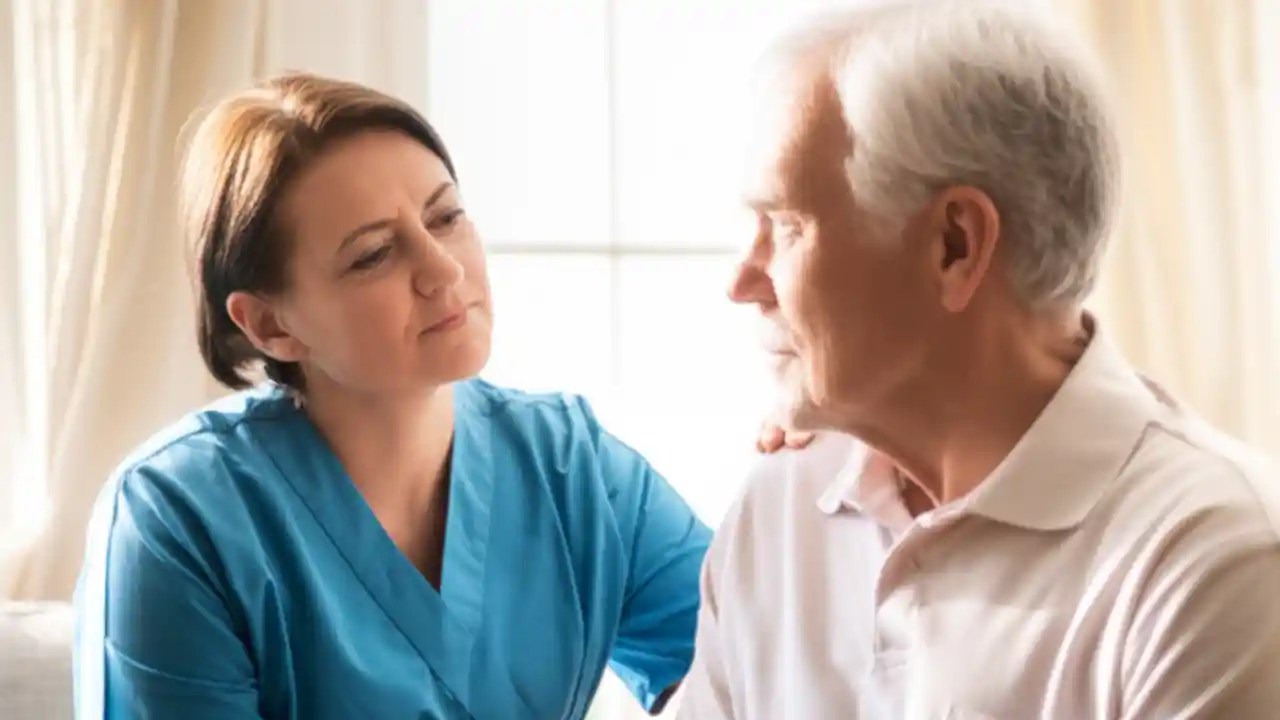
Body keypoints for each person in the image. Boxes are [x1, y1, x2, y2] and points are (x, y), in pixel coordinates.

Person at [680, 2, 1280, 718]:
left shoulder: (1214, 563)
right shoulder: (779, 513)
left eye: (786, 225)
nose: (742, 281)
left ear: (954, 245)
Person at [73, 73, 711, 720]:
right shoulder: (178, 519)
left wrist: (801, 480)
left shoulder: (575, 470)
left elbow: (761, 663)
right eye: (374, 254)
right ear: (270, 325)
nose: (444, 269)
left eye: (447, 216)